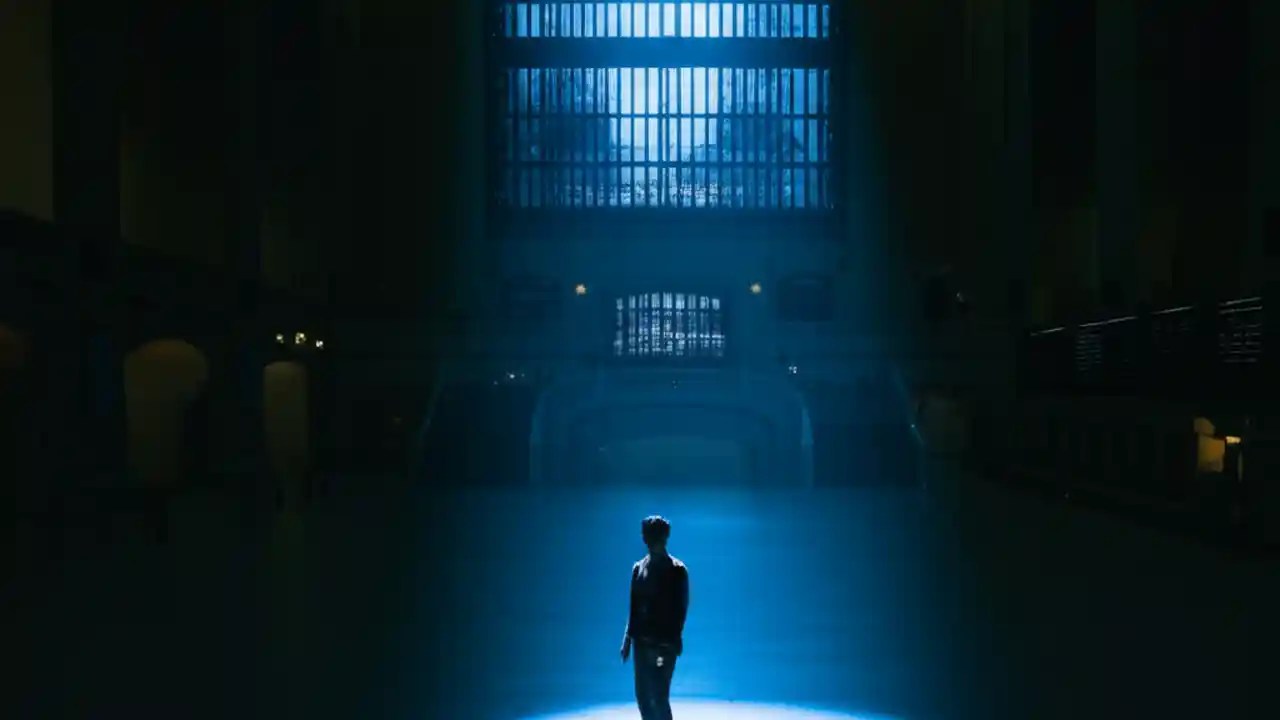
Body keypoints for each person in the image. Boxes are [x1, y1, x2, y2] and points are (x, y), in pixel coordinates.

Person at [620, 515, 689, 720]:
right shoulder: (638, 569)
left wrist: (672, 640)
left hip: (664, 644)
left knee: (659, 696)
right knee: (643, 696)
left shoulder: (677, 571)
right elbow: (634, 606)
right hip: (642, 643)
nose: (648, 540)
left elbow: (680, 609)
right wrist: (627, 640)